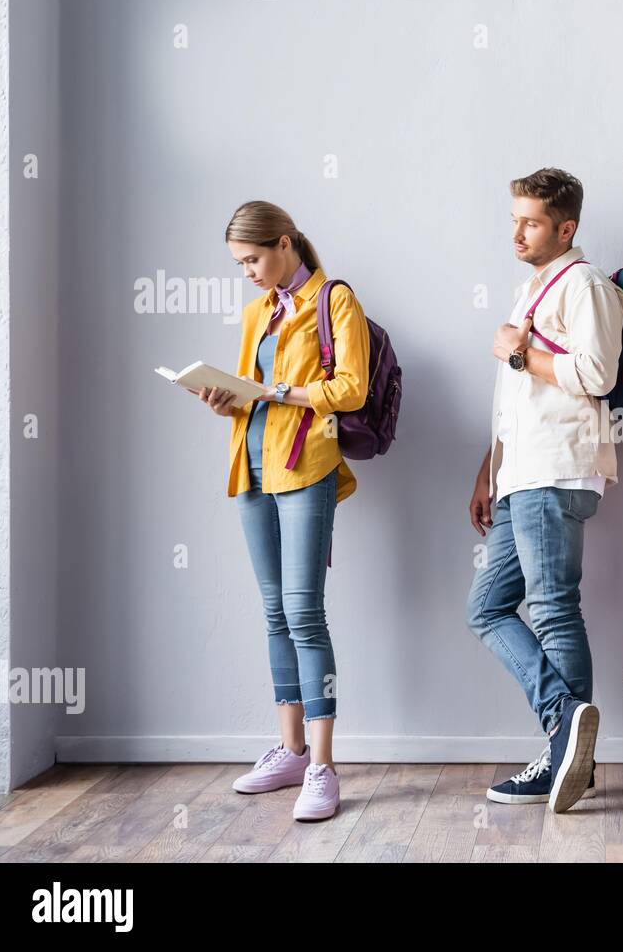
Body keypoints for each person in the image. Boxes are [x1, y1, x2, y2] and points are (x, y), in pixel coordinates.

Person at [196, 200, 370, 821]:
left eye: (252, 258)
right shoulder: (257, 313)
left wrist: (278, 392)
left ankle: (323, 766)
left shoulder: (334, 300)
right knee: (273, 612)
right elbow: (251, 395)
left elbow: (351, 387)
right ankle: (290, 750)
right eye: (240, 263)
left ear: (285, 242)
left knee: (304, 613)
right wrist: (228, 401)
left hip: (305, 468)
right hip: (251, 467)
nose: (247, 271)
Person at [465, 168, 623, 813]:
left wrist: (515, 353)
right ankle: (567, 736)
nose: (518, 232)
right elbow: (516, 404)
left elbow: (596, 373)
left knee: (554, 608)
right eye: (514, 220)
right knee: (487, 608)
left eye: (530, 222)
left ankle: (565, 751)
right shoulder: (530, 289)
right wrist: (487, 472)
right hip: (520, 471)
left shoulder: (586, 285)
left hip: (556, 467)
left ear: (567, 227)